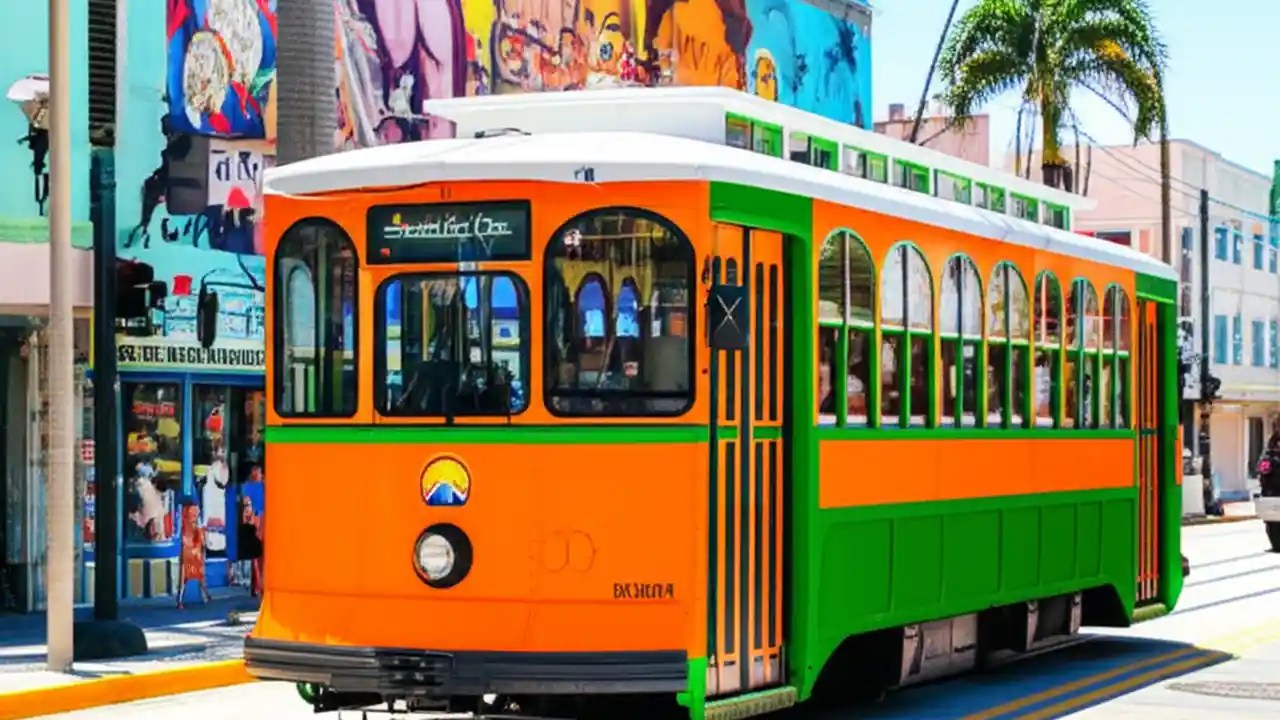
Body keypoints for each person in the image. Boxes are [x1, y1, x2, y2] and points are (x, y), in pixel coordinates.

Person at [177, 498, 211, 608]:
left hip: (186, 548)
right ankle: (206, 595)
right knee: (200, 574)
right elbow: (201, 534)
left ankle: (180, 599)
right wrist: (204, 545)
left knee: (183, 576)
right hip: (195, 550)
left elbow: (181, 534)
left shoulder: (183, 517)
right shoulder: (196, 516)